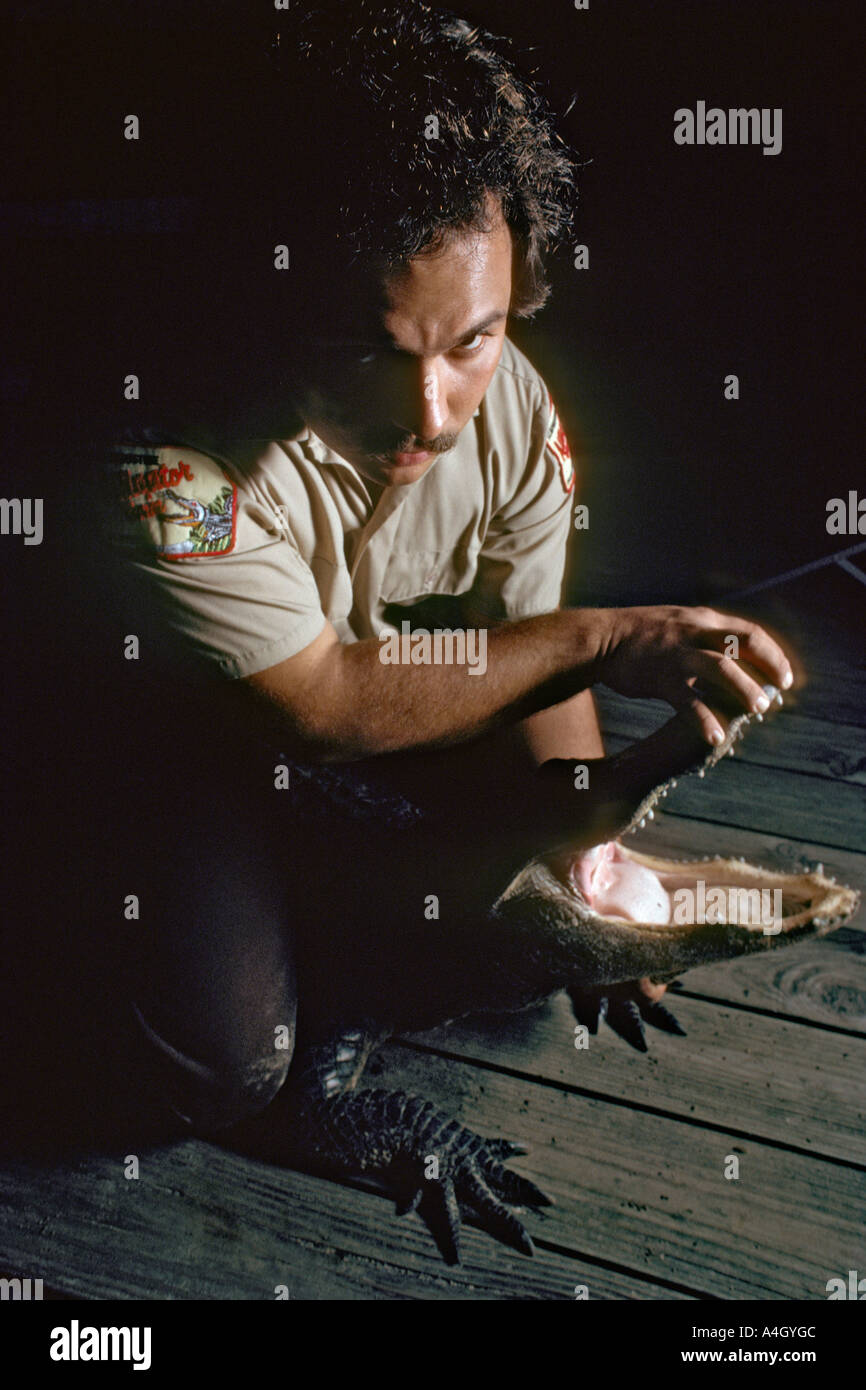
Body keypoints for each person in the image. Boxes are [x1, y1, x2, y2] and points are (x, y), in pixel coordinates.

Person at [102, 2, 792, 1137]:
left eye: (471, 339)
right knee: (225, 1070)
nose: (431, 410)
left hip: (359, 718)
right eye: (369, 348)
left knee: (523, 853)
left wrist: (593, 881)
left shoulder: (511, 401)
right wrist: (607, 636)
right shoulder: (164, 465)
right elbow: (325, 701)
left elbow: (529, 663)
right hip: (168, 741)